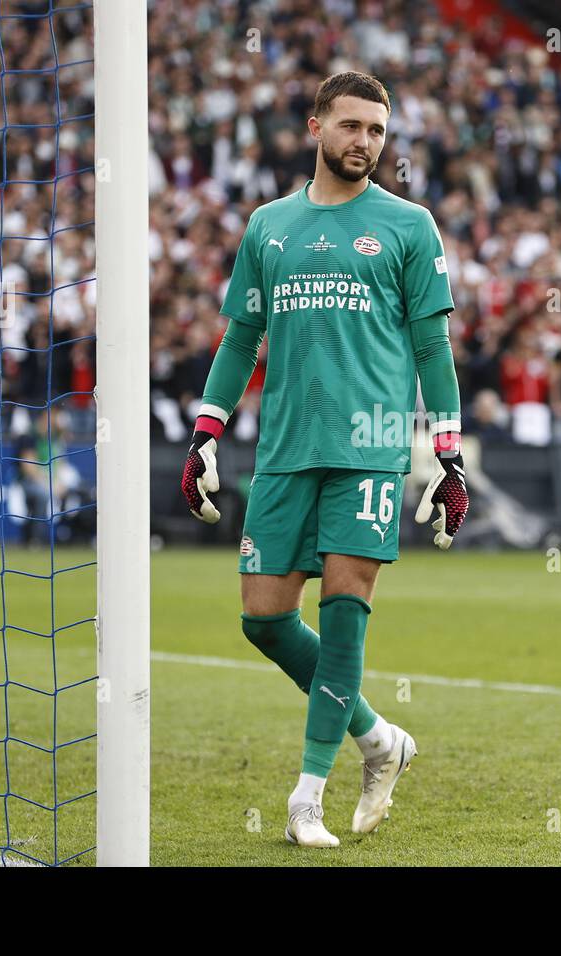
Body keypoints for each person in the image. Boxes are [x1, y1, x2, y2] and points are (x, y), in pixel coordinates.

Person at [179, 72, 468, 849]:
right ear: (315, 128)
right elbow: (242, 337)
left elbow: (432, 346)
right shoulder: (269, 225)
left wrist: (446, 452)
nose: (364, 143)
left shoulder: (410, 226)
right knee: (264, 622)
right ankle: (379, 740)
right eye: (350, 127)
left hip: (369, 449)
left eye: (377, 130)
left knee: (344, 613)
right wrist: (207, 431)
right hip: (283, 449)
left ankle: (307, 796)